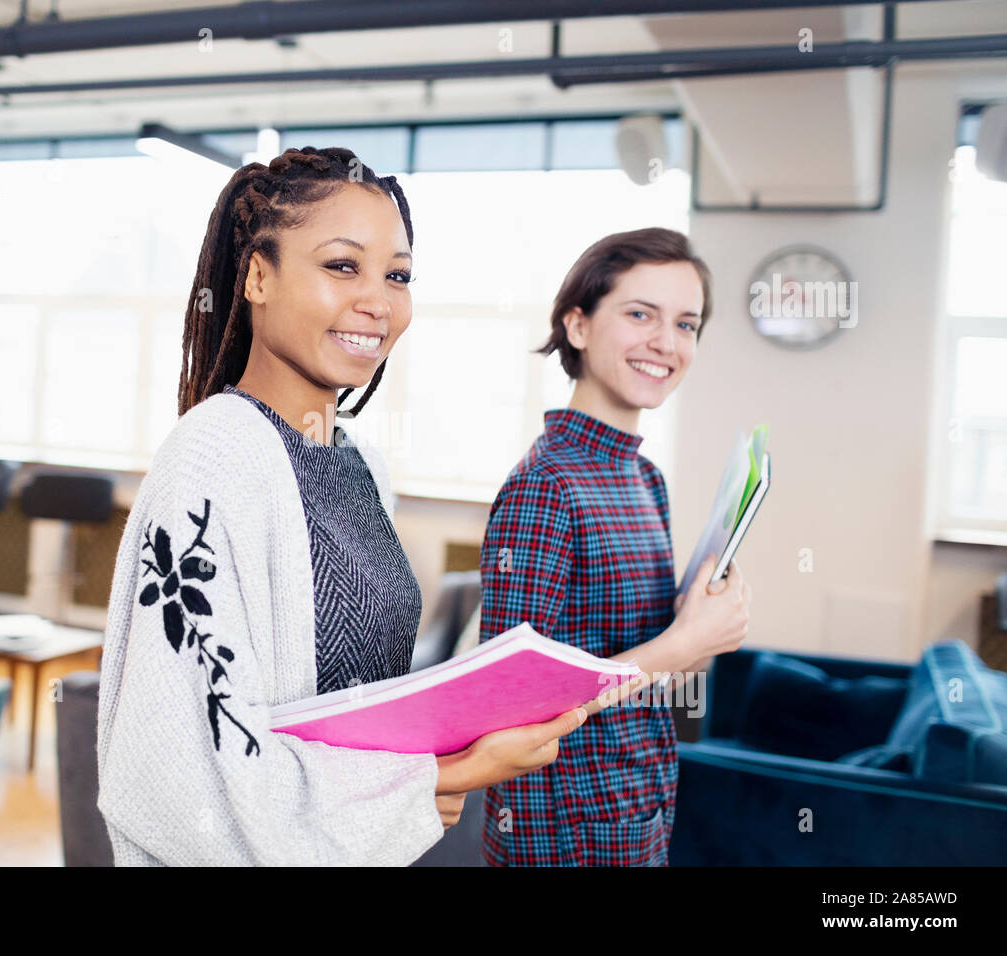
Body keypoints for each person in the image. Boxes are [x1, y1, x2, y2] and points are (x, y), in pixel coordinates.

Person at [97, 146, 588, 866]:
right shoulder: (213, 456)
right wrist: (443, 777)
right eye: (341, 266)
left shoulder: (361, 464)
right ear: (258, 277)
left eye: (398, 275)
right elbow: (179, 772)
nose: (379, 302)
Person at [478, 227, 753, 867]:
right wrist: (682, 645)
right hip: (560, 826)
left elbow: (639, 660)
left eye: (687, 324)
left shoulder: (644, 478)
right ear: (577, 325)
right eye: (639, 315)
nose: (666, 342)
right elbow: (508, 700)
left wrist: (698, 622)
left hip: (640, 801)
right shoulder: (544, 486)